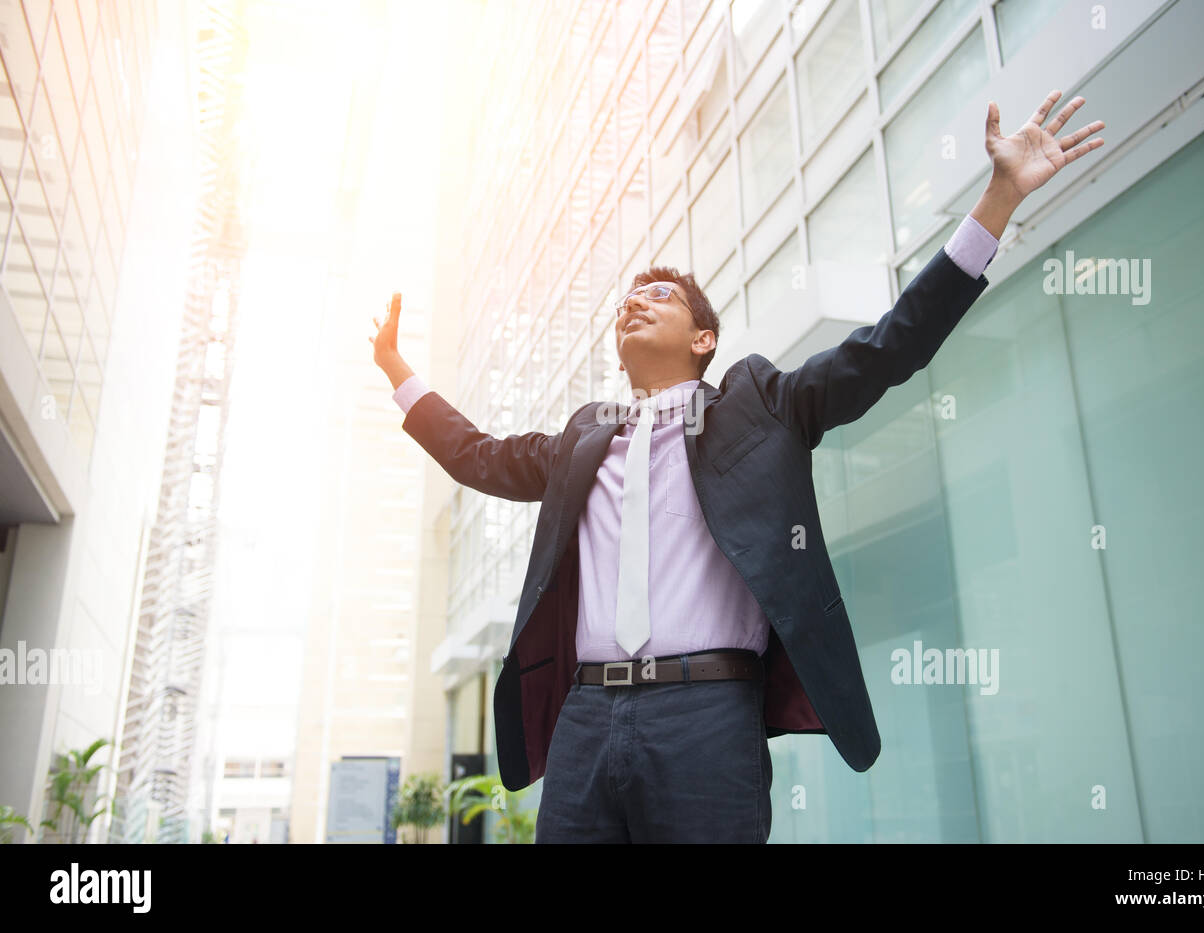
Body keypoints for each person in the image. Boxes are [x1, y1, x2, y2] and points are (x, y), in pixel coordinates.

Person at [371, 92, 1104, 843]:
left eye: (659, 296)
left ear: (703, 338)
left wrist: (999, 196)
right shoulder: (582, 441)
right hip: (584, 716)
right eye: (626, 301)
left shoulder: (759, 405)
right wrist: (397, 368)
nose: (635, 304)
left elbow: (889, 347)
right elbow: (476, 456)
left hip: (707, 717)